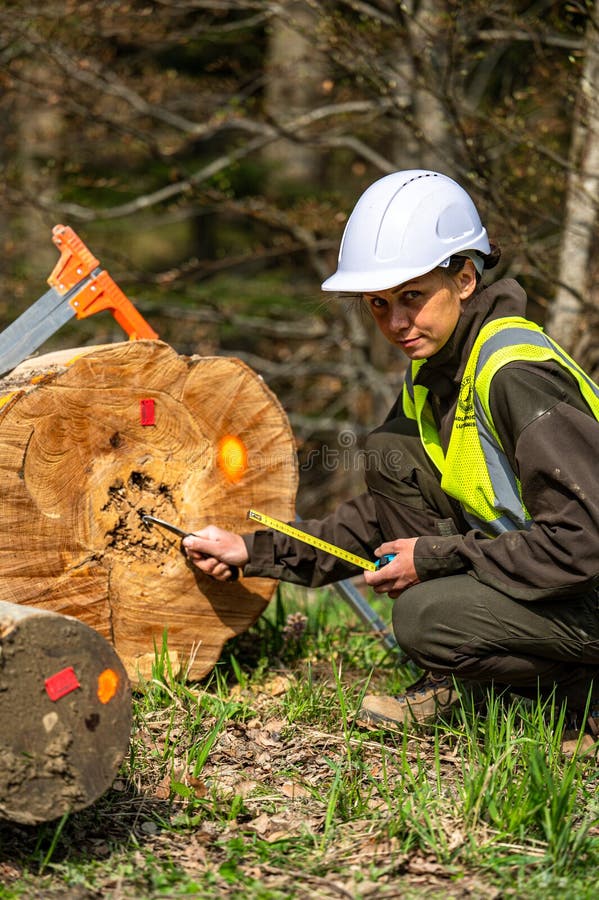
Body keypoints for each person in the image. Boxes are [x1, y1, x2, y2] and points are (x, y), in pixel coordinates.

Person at [183, 169, 599, 737]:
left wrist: (433, 558)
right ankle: (505, 681)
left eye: (412, 297)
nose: (396, 323)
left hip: (587, 583)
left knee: (426, 617)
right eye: (378, 304)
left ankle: (582, 696)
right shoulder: (437, 374)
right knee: (390, 451)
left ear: (467, 278)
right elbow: (381, 515)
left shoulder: (516, 373)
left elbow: (583, 545)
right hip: (557, 581)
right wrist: (254, 552)